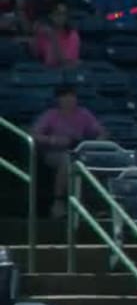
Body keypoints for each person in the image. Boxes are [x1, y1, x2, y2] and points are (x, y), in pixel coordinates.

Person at [31, 85, 103, 218]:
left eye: (72, 96)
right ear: (58, 100)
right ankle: (58, 203)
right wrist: (53, 140)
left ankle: (91, 206)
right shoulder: (50, 115)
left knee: (86, 161)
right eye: (65, 97)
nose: (69, 100)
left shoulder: (84, 113)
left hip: (78, 151)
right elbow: (34, 135)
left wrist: (95, 143)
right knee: (67, 160)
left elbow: (101, 132)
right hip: (53, 153)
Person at [32, 2, 79, 68]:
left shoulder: (72, 35)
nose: (61, 17)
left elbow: (65, 62)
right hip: (46, 71)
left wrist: (53, 38)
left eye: (64, 14)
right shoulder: (45, 32)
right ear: (51, 16)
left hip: (66, 71)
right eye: (58, 14)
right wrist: (35, 34)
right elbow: (36, 55)